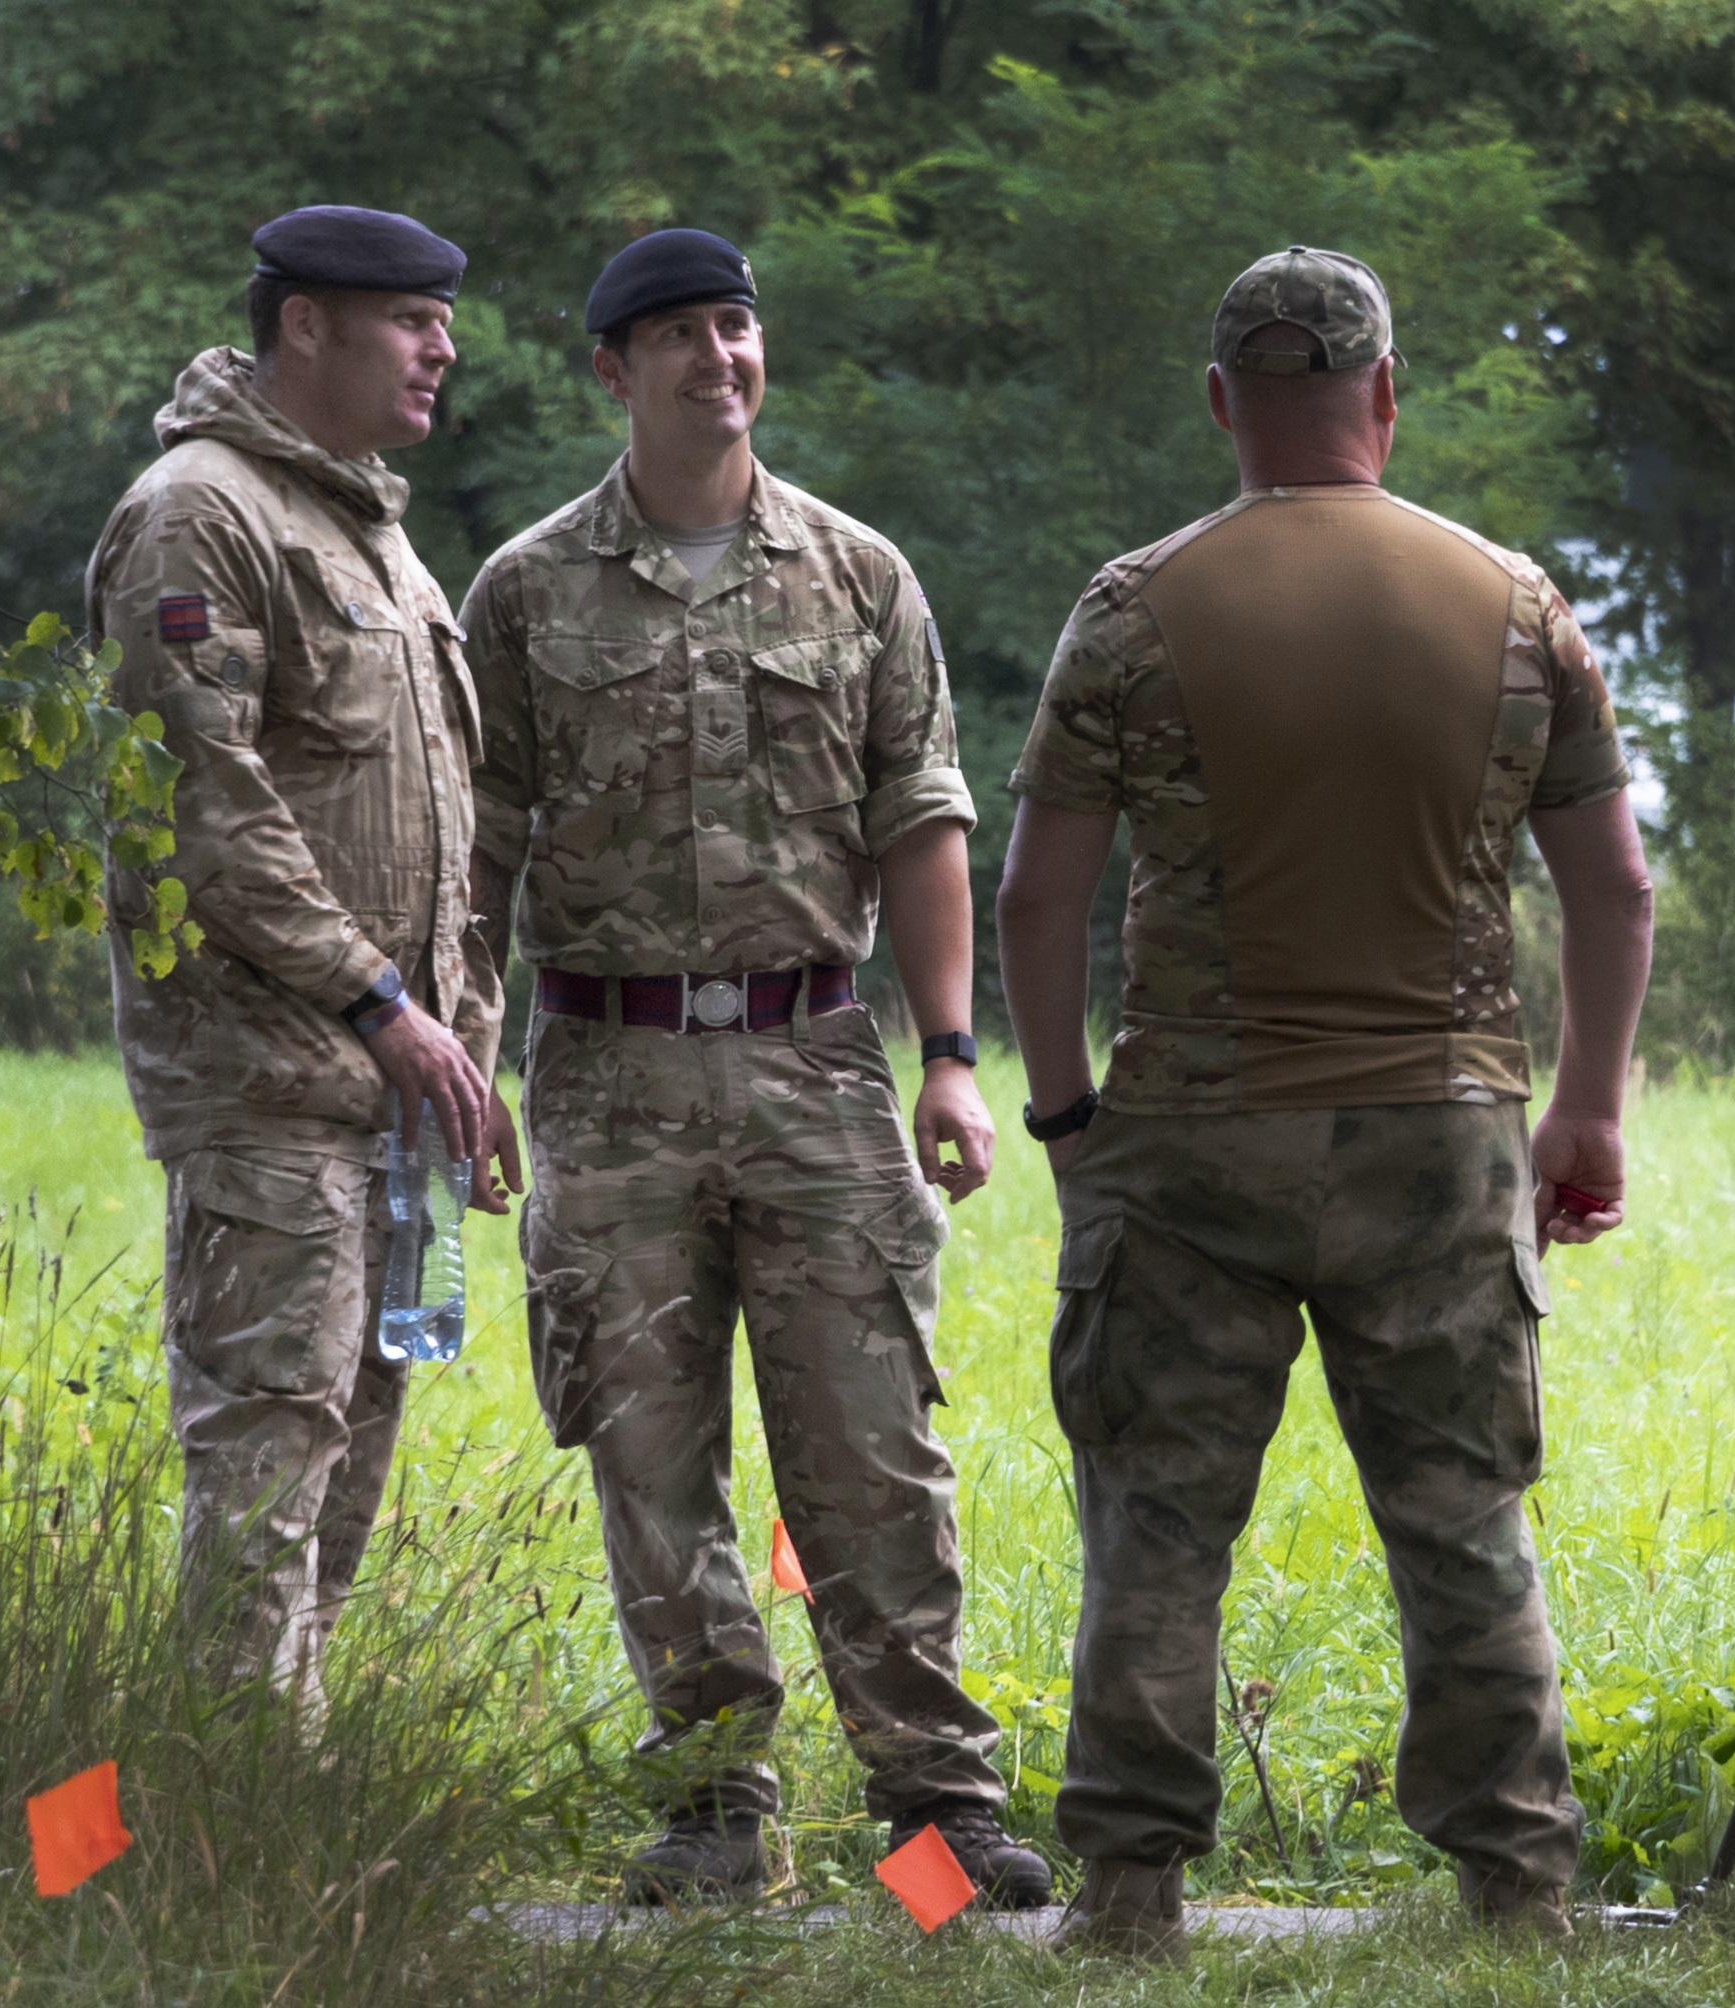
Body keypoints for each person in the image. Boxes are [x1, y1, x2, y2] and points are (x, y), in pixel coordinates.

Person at [998, 246, 1655, 1958]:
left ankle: (1129, 1893)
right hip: (1441, 1134)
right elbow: (1611, 885)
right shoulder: (1513, 604)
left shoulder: (1131, 610)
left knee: (1157, 1522)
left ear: (1223, 402)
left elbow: (1038, 899)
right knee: (1461, 1516)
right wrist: (1587, 1108)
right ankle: (1516, 1888)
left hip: (1190, 1138)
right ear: (1387, 395)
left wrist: (1068, 1124)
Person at [458, 229, 1046, 1908]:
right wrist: (468, 1052)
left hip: (815, 1065)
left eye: (737, 326)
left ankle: (936, 1815)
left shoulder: (858, 576)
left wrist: (951, 1056)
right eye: (678, 335)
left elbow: (921, 820)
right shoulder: (525, 592)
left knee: (871, 1450)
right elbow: (475, 849)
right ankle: (717, 1812)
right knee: (648, 1455)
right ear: (612, 369)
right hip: (604, 1072)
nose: (717, 357)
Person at [84, 206, 516, 1708]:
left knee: (339, 1490)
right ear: (307, 325)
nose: (442, 348)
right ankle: (223, 1821)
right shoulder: (199, 514)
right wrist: (383, 1003)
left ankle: (289, 1816)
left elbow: (432, 825)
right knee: (265, 1479)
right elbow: (202, 806)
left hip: (389, 1098)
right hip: (272, 1087)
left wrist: (462, 1052)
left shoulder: (366, 529)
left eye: (442, 320)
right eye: (411, 319)